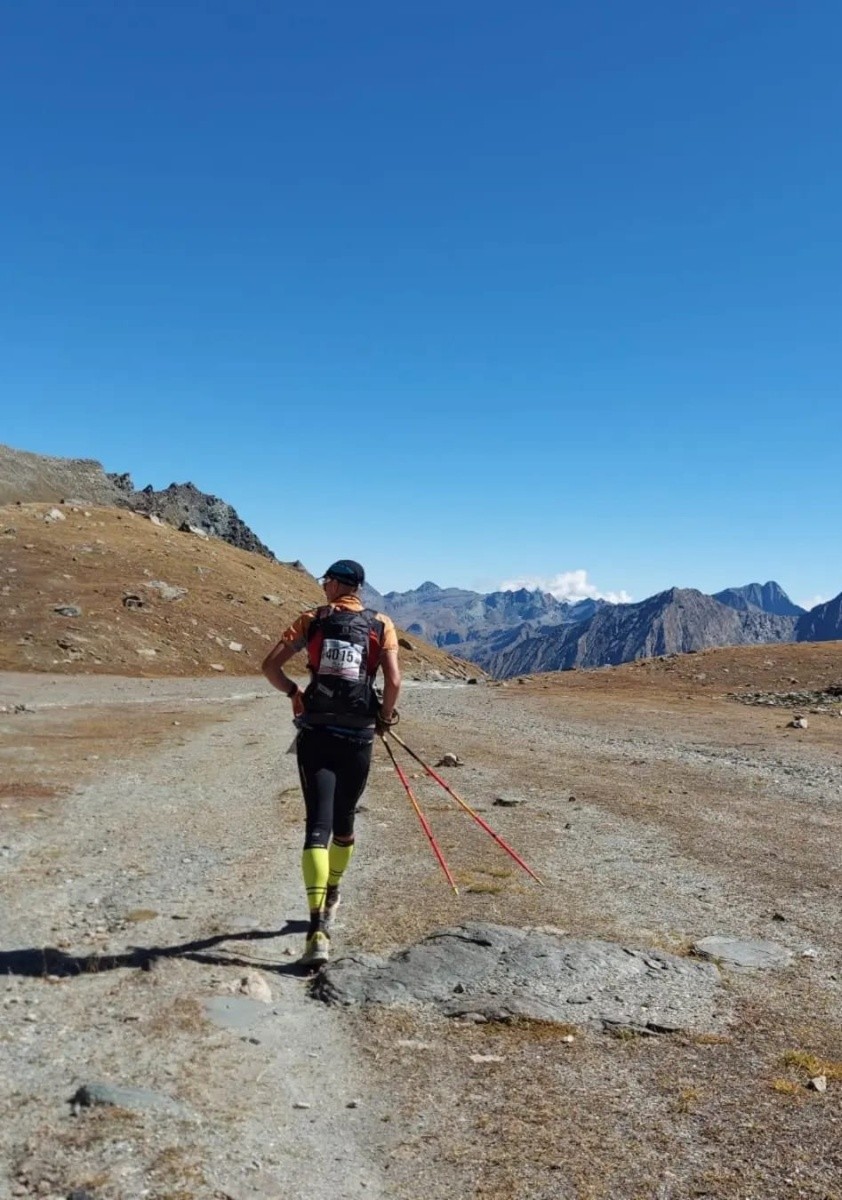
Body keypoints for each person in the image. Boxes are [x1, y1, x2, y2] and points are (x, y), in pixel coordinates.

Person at [261, 559, 401, 967]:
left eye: (326, 581)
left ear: (339, 584)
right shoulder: (381, 624)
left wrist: (292, 692)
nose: (323, 586)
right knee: (345, 824)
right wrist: (385, 720)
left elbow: (269, 666)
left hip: (317, 731)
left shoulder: (312, 620)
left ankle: (316, 928)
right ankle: (334, 890)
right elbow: (392, 681)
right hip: (358, 733)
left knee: (316, 827)